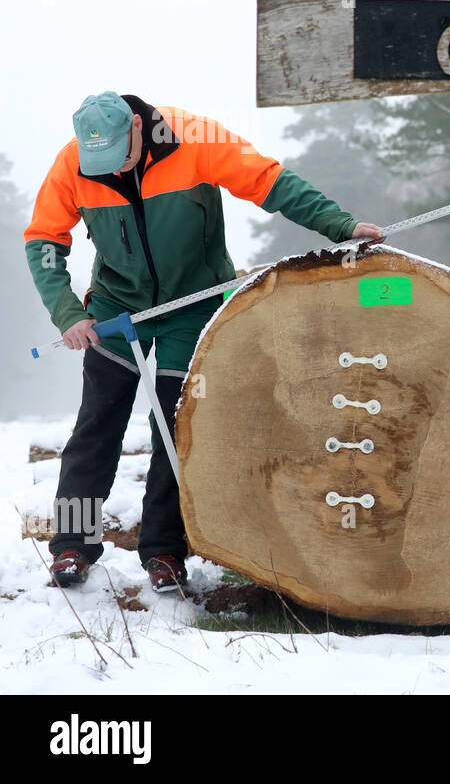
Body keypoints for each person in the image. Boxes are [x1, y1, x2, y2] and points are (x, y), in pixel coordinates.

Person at [24, 91, 384, 592]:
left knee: (175, 428)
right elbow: (44, 240)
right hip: (113, 309)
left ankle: (165, 551)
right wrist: (67, 314)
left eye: (119, 158)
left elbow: (269, 182)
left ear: (136, 127)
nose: (109, 170)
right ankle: (71, 545)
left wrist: (339, 225)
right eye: (98, 164)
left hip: (191, 305)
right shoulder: (75, 161)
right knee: (96, 424)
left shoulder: (197, 137)